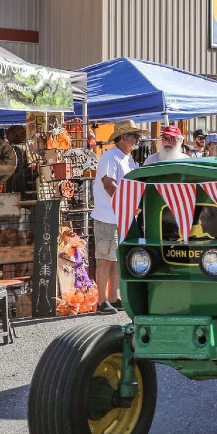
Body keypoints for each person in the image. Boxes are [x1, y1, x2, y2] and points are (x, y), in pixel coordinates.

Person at [90, 119, 144, 315]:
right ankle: (101, 301)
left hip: (119, 216)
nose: (137, 139)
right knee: (105, 259)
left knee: (115, 259)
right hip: (108, 216)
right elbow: (109, 184)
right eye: (134, 135)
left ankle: (112, 297)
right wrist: (128, 205)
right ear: (123, 137)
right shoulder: (110, 156)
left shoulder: (127, 159)